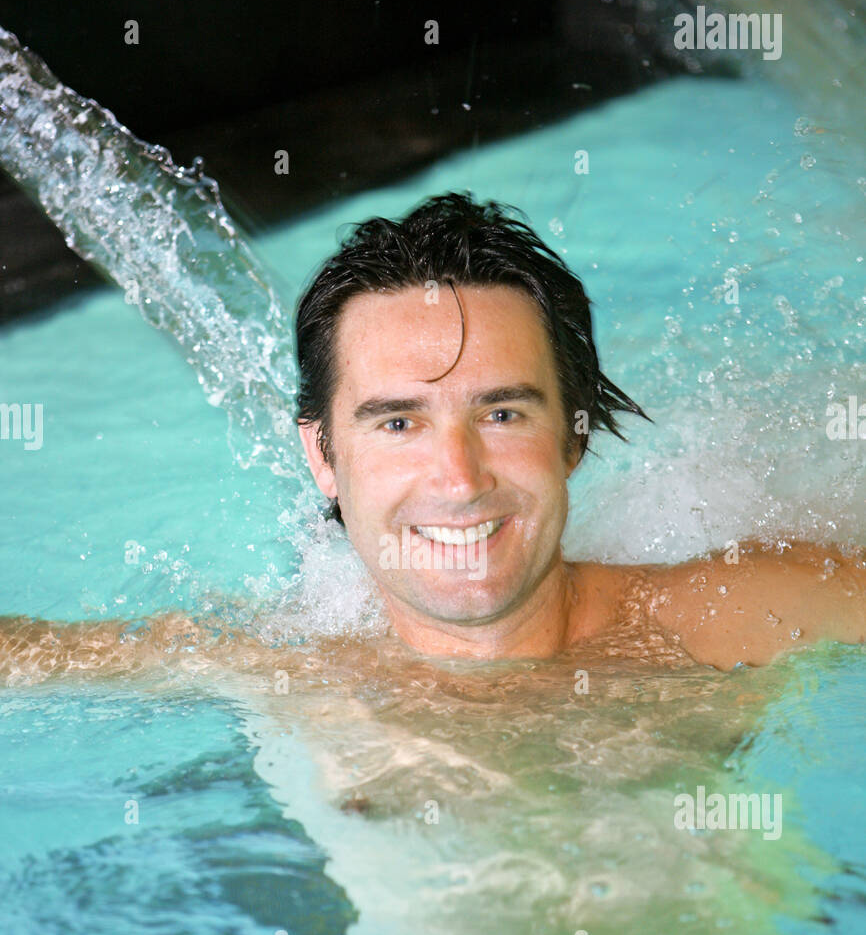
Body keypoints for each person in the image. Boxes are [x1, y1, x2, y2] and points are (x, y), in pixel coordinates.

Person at [1, 191, 864, 684]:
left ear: (574, 435)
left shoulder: (724, 618)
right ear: (323, 456)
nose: (457, 476)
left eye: (501, 414)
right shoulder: (290, 675)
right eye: (399, 421)